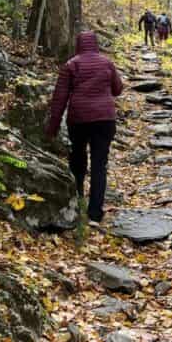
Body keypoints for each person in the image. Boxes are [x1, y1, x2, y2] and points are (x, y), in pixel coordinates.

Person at [45, 31, 124, 223]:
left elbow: (59, 99)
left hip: (78, 120)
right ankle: (95, 213)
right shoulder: (107, 63)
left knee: (78, 161)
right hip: (105, 120)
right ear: (96, 44)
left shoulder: (71, 65)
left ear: (78, 45)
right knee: (99, 164)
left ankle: (79, 202)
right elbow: (118, 89)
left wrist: (52, 128)